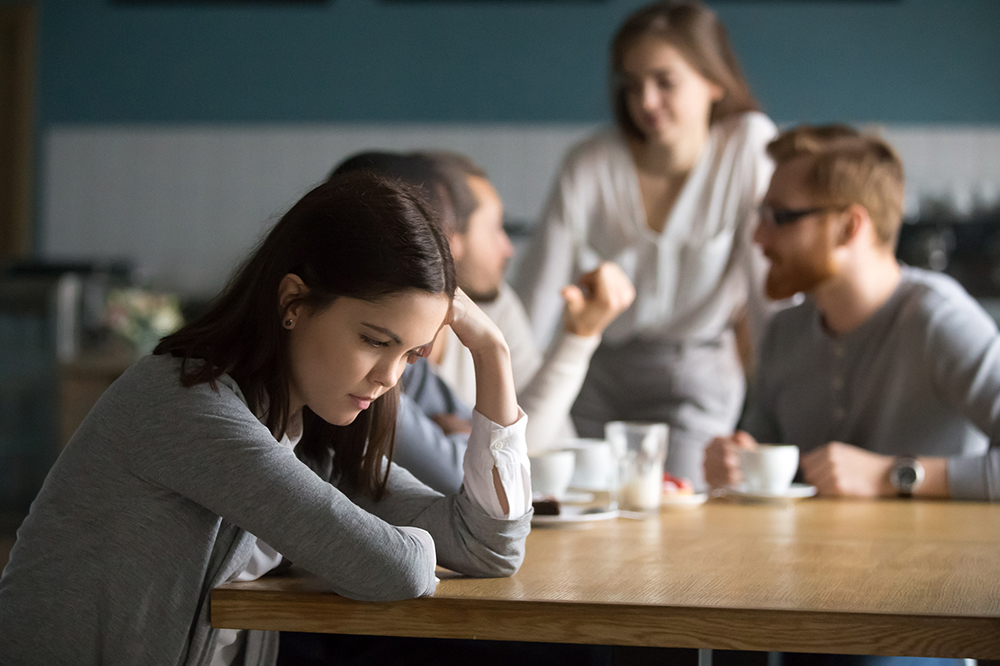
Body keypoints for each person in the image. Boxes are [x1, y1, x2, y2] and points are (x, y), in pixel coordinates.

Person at [0, 172, 532, 666]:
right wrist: (383, 544)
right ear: (292, 302)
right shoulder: (186, 406)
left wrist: (492, 352)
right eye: (374, 341)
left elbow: (487, 548)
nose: (389, 378)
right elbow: (397, 568)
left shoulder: (307, 434)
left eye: (412, 354)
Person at [513, 0, 778, 488]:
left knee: (677, 507)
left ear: (714, 82)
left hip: (695, 377)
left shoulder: (748, 147)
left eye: (665, 82)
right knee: (578, 503)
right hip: (597, 375)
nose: (646, 102)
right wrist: (498, 408)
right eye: (632, 85)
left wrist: (776, 418)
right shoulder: (589, 163)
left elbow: (769, 301)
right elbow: (534, 303)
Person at [704, 124, 1000, 508]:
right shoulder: (784, 331)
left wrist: (892, 475)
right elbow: (765, 456)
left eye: (779, 216)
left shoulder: (940, 322)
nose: (758, 236)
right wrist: (736, 464)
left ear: (849, 227)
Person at [330, 152, 634, 495]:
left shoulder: (494, 307)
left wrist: (474, 441)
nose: (508, 248)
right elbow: (487, 474)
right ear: (444, 237)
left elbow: (530, 452)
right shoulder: (371, 371)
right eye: (494, 227)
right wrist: (474, 440)